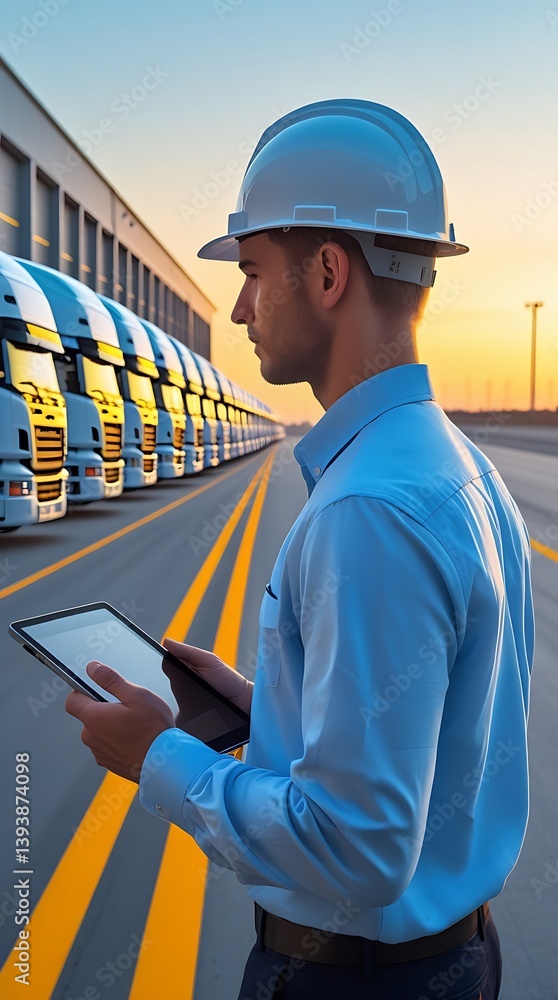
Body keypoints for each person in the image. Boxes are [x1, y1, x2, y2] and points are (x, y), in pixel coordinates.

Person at [66, 100, 535, 999]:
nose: (238, 307)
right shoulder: (455, 465)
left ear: (326, 273)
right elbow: (432, 732)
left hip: (352, 981)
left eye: (250, 271)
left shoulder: (371, 510)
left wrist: (160, 757)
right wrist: (263, 710)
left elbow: (357, 847)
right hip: (448, 960)